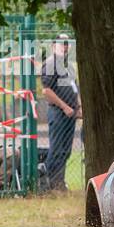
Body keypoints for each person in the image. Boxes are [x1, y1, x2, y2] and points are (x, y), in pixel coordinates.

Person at [41, 33, 79, 190]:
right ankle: (47, 185)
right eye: (61, 43)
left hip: (70, 114)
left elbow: (75, 88)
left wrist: (79, 107)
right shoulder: (50, 64)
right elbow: (46, 91)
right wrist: (64, 107)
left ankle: (59, 184)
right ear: (53, 46)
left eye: (67, 43)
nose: (64, 46)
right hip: (58, 113)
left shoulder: (68, 66)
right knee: (57, 150)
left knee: (66, 151)